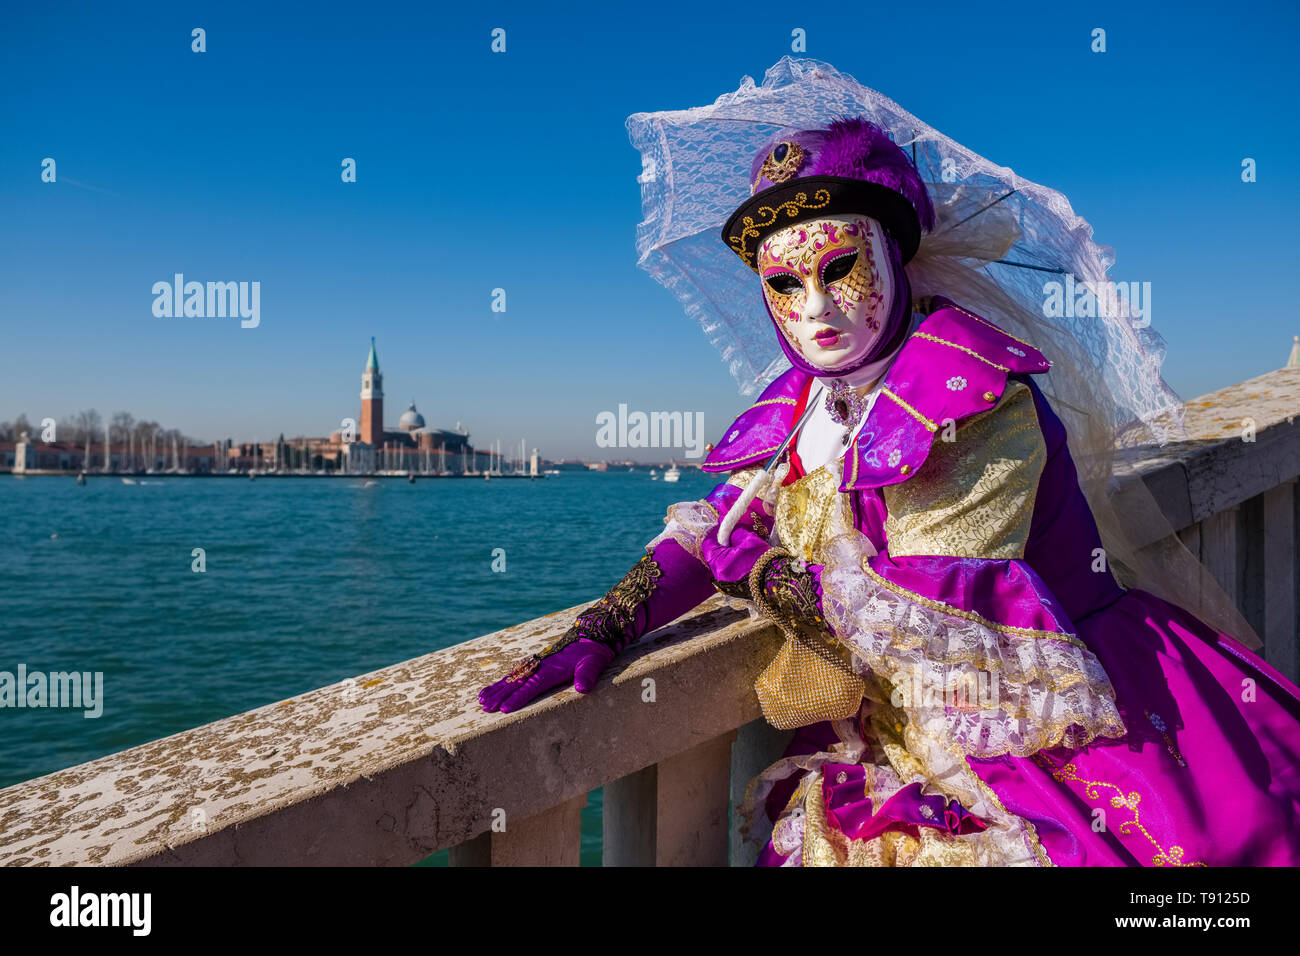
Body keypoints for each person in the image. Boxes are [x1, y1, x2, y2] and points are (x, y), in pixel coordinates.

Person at [480, 116, 1300, 866]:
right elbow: (727, 522)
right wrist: (613, 620)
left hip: (1047, 725)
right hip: (902, 727)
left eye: (840, 269)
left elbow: (931, 622)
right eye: (785, 286)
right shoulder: (807, 404)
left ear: (894, 256)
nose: (816, 309)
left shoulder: (975, 397)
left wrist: (763, 575)